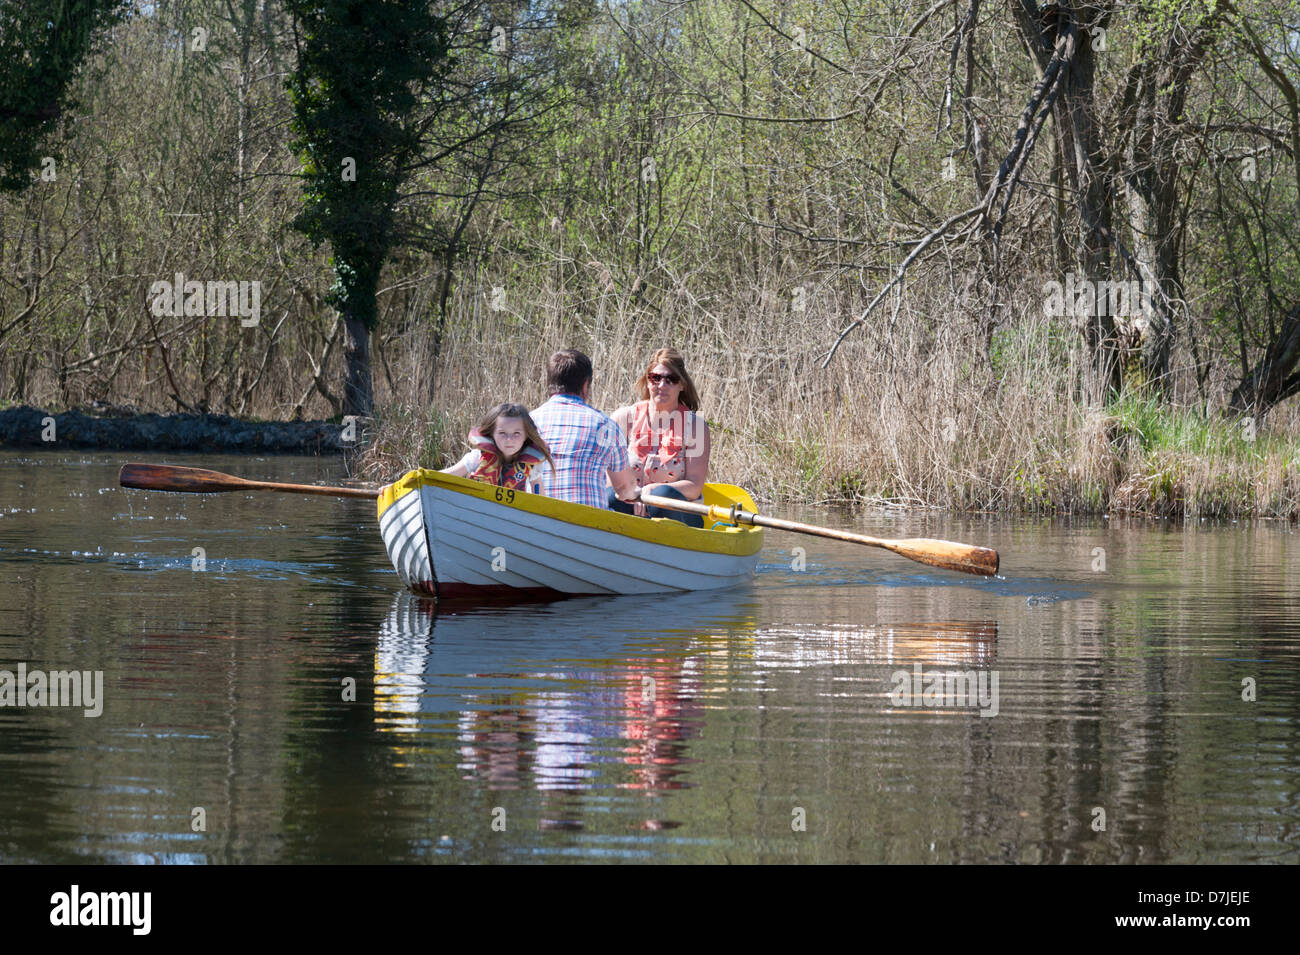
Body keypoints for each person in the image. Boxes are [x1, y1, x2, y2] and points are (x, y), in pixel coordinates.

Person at [608, 348, 710, 528]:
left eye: (671, 379)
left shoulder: (696, 427)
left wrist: (651, 491)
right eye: (656, 378)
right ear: (647, 382)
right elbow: (608, 477)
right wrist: (632, 492)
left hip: (678, 518)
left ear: (682, 385)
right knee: (610, 497)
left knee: (661, 494)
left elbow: (694, 487)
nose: (662, 385)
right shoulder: (623, 419)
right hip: (630, 511)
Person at [530, 349, 641, 508]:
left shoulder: (527, 422)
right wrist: (637, 493)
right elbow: (625, 489)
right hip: (588, 523)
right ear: (585, 384)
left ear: (548, 382)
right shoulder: (605, 425)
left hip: (534, 515)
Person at [442, 402, 554, 490]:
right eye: (502, 433)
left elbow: (540, 498)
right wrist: (425, 475)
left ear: (526, 436)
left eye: (516, 433)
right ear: (491, 434)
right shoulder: (477, 457)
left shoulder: (532, 466)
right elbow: (449, 475)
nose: (509, 439)